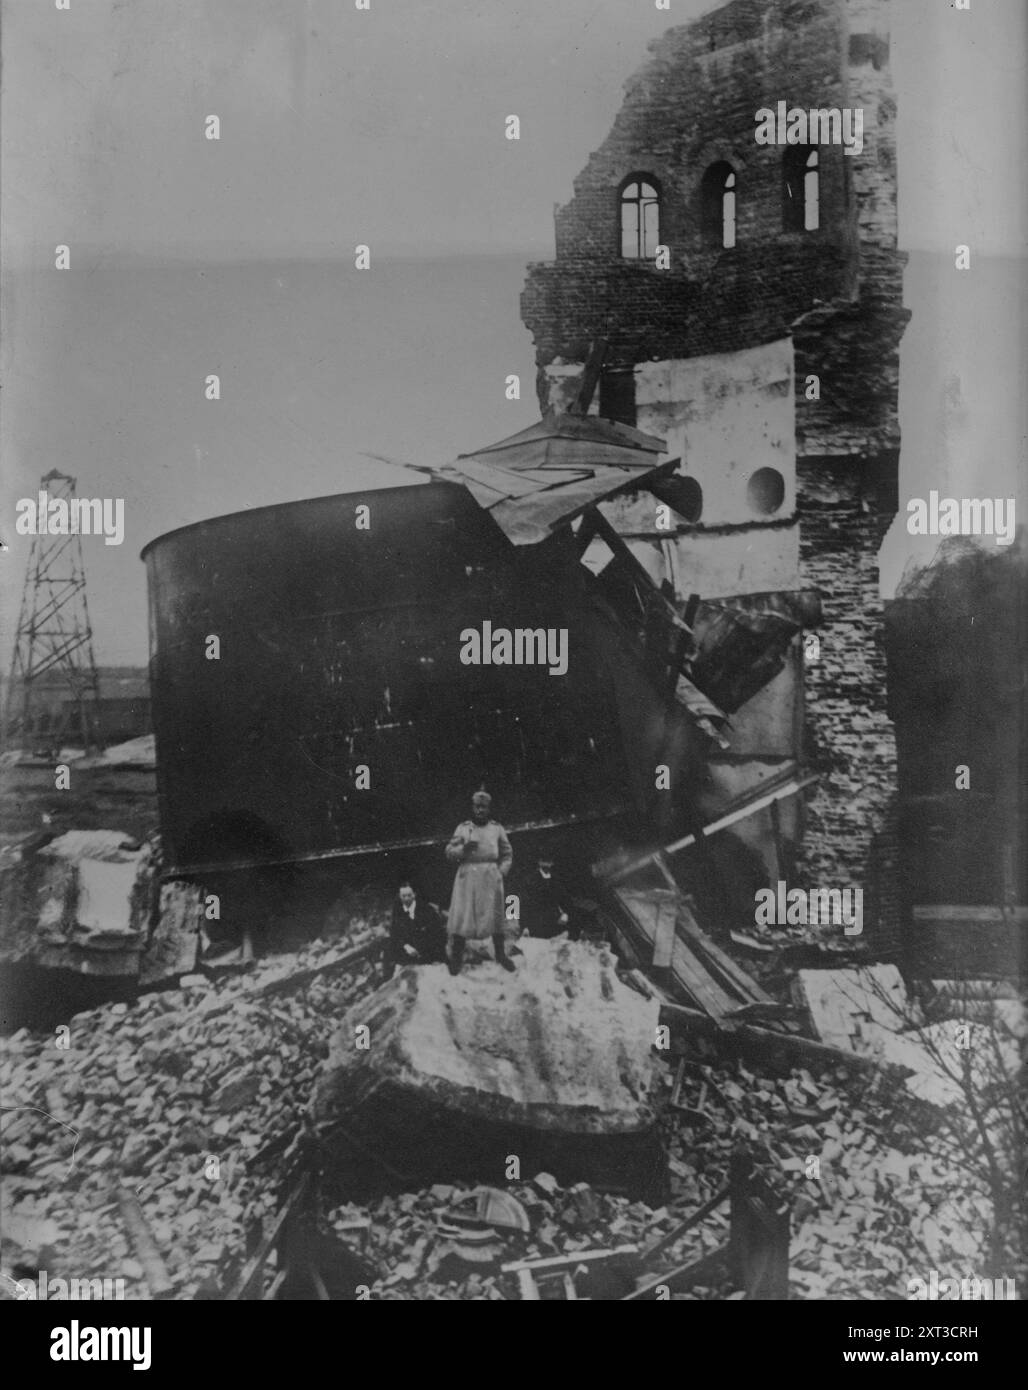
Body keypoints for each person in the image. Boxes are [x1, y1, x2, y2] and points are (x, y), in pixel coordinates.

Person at [445, 790, 514, 974]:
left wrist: (501, 872)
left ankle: (500, 954)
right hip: (467, 877)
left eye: (484, 807)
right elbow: (449, 852)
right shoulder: (463, 828)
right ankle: (456, 958)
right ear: (472, 807)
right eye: (477, 806)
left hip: (491, 878)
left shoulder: (497, 828)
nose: (480, 810)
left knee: (495, 916)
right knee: (463, 916)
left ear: (489, 809)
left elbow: (507, 854)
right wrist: (463, 850)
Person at [381, 880, 448, 982]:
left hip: (427, 950)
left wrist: (433, 953)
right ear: (400, 896)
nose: (406, 899)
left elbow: (438, 934)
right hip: (409, 951)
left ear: (414, 895)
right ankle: (388, 979)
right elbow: (395, 934)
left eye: (409, 895)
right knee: (388, 946)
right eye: (403, 896)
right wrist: (406, 946)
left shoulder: (426, 909)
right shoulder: (398, 910)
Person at [517, 855, 579, 940]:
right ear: (539, 862)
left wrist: (565, 914)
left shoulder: (557, 881)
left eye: (549, 862)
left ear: (552, 863)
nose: (546, 864)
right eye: (544, 861)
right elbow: (524, 904)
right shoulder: (530, 880)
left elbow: (566, 900)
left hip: (554, 922)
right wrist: (524, 926)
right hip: (535, 924)